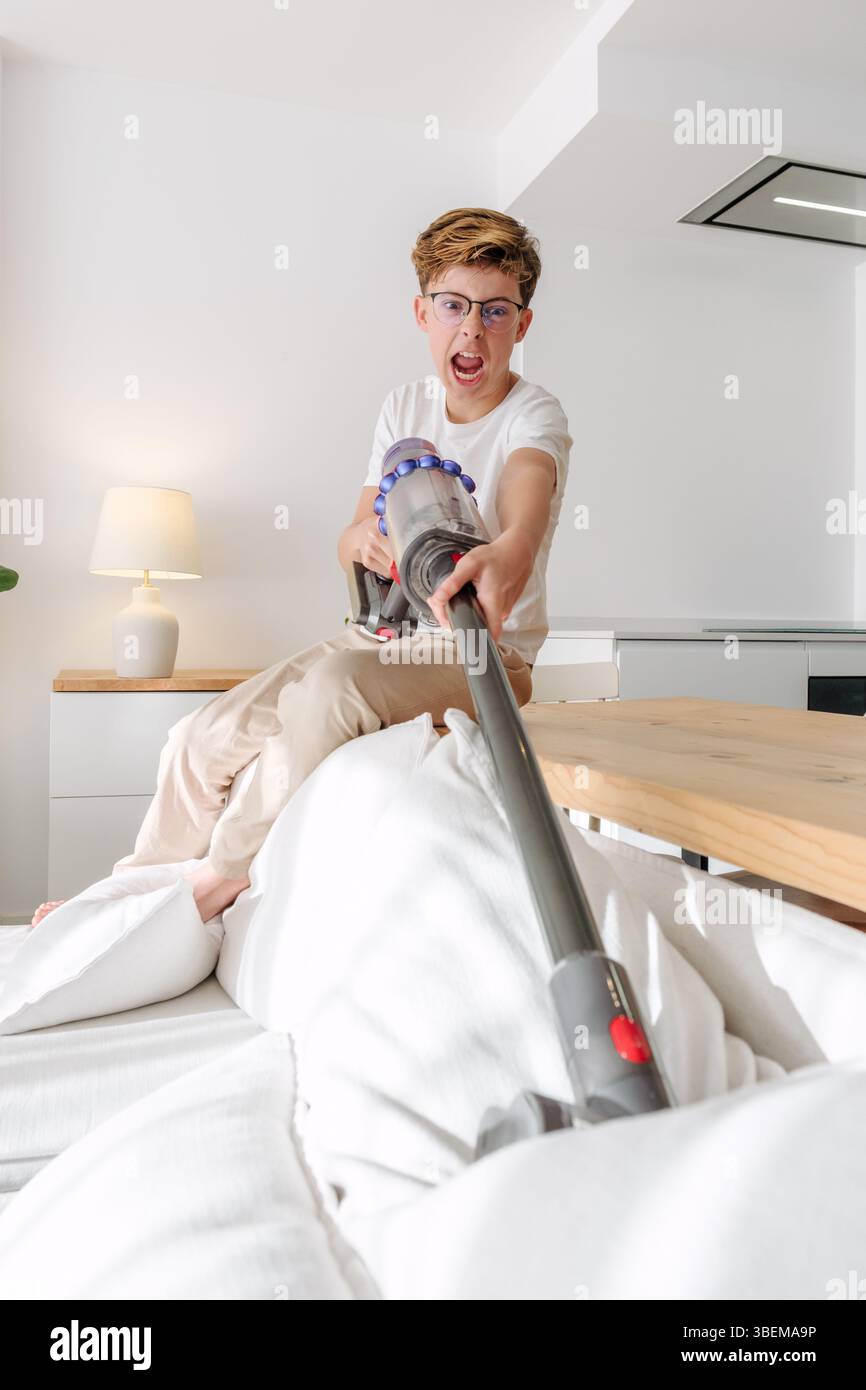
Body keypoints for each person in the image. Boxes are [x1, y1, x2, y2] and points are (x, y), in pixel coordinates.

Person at [31, 206, 573, 928]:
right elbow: (350, 533)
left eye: (495, 311)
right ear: (423, 313)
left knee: (330, 690)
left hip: (483, 652)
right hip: (379, 636)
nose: (471, 329)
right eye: (453, 306)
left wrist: (508, 552)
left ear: (521, 324)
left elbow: (525, 512)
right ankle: (127, 894)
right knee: (197, 738)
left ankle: (217, 879)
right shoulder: (404, 406)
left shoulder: (534, 416)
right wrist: (368, 545)